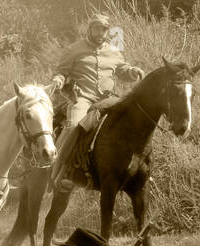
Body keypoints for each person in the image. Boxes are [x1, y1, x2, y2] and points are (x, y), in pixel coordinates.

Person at [50, 14, 143, 186]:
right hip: (83, 98)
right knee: (73, 125)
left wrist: (132, 71)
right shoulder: (74, 49)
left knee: (134, 119)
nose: (100, 32)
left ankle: (138, 166)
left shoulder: (114, 51)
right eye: (97, 28)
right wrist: (58, 80)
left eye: (104, 29)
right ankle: (62, 171)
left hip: (108, 99)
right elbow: (61, 71)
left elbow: (122, 70)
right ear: (90, 29)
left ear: (108, 31)